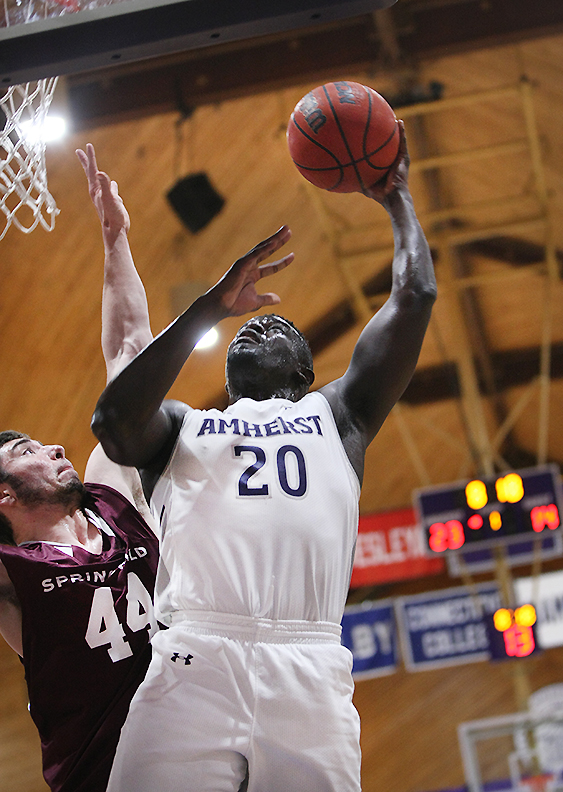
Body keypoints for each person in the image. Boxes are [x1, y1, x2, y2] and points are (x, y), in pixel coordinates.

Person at [93, 122, 437, 792]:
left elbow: (415, 297)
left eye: (280, 325)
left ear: (306, 373)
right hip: (194, 659)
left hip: (308, 663)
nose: (260, 324)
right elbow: (111, 420)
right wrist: (207, 309)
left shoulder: (340, 417)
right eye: (247, 327)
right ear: (228, 378)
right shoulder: (180, 428)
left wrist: (397, 197)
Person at [0, 144, 161, 792]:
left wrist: (116, 239)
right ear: (4, 496)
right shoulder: (12, 575)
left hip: (204, 754)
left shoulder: (112, 497)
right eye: (27, 452)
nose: (55, 449)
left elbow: (128, 355)